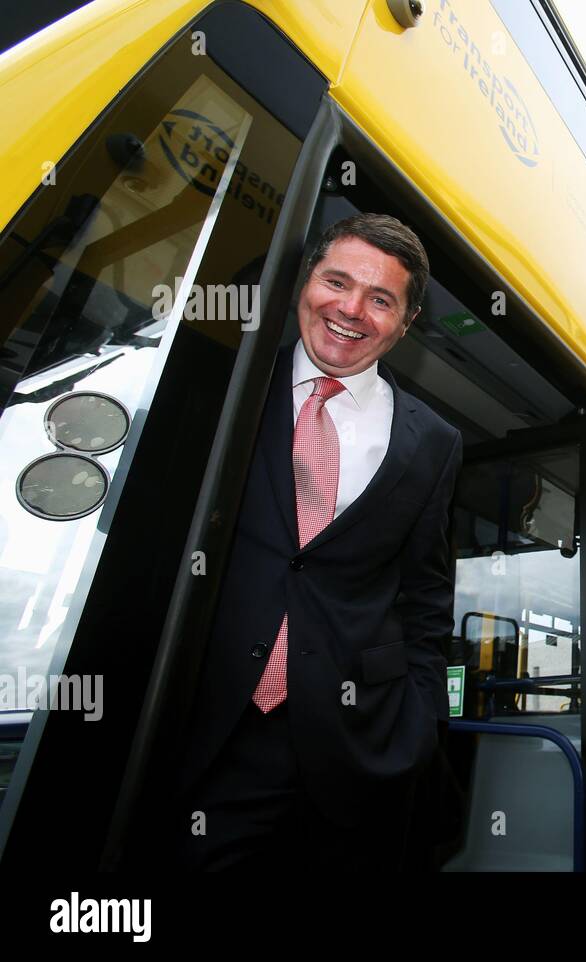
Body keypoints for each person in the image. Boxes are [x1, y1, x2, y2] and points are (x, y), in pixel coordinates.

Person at [173, 212, 464, 870]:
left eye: (381, 299)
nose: (351, 309)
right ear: (307, 282)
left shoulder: (435, 443)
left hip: (361, 749)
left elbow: (425, 598)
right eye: (337, 281)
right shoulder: (227, 388)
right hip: (213, 727)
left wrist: (420, 727)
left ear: (405, 322)